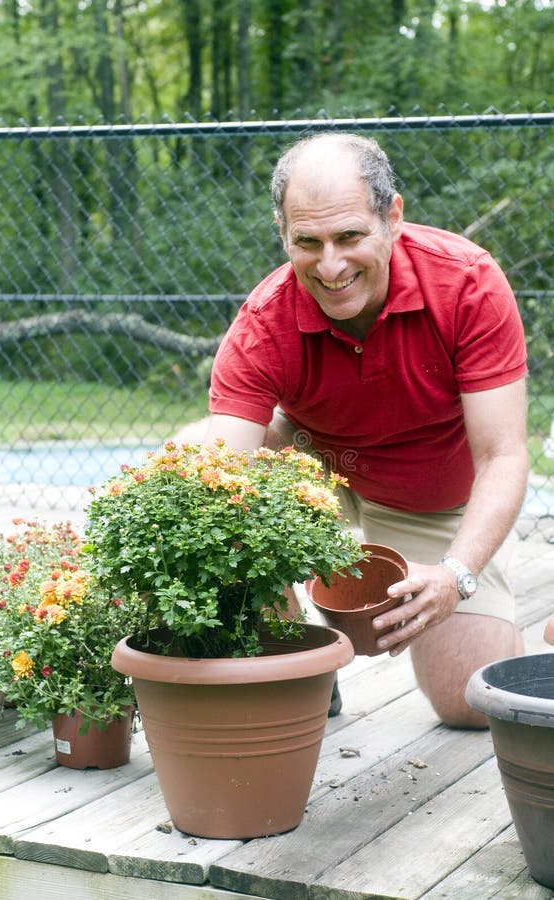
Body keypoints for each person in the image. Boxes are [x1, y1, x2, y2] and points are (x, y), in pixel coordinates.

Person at [185, 132, 529, 729]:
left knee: (471, 703)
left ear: (391, 217)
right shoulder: (264, 322)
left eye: (349, 236)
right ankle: (300, 662)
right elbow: (224, 475)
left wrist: (457, 573)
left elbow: (504, 455)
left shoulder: (468, 283)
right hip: (314, 465)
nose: (331, 265)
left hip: (431, 493)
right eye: (307, 242)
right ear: (282, 232)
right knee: (191, 463)